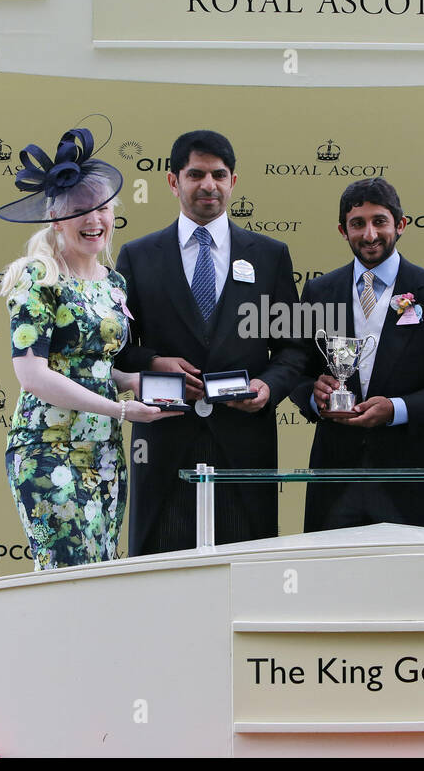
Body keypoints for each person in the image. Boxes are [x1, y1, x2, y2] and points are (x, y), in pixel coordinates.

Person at [115, 129, 305, 555]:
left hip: (244, 445)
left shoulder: (270, 255)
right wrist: (157, 362)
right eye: (196, 174)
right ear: (172, 180)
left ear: (233, 181)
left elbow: (294, 347)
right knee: (160, 574)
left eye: (219, 175)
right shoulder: (138, 255)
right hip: (162, 443)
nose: (208, 186)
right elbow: (120, 349)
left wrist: (269, 387)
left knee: (246, 569)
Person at [0, 124, 165, 570]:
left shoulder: (114, 285)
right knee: (67, 577)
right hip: (49, 448)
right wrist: (122, 410)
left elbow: (95, 367)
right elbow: (33, 376)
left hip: (105, 452)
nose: (94, 221)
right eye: (80, 211)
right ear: (55, 219)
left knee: (100, 577)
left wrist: (141, 384)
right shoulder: (38, 277)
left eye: (102, 208)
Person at [291, 177, 424, 532]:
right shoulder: (318, 291)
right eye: (357, 224)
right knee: (329, 580)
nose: (369, 234)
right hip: (334, 475)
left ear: (400, 225)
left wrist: (395, 410)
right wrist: (314, 395)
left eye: (379, 221)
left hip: (410, 477)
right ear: (343, 230)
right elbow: (295, 367)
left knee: (412, 582)